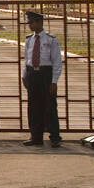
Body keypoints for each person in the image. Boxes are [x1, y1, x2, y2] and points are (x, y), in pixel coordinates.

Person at [21, 10, 63, 148]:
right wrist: (24, 75)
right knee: (33, 107)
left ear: (40, 22)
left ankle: (55, 137)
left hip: (46, 74)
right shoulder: (29, 39)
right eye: (29, 23)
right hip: (32, 74)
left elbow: (57, 61)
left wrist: (54, 81)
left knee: (50, 106)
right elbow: (26, 59)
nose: (30, 25)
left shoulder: (51, 40)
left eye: (32, 22)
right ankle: (36, 136)